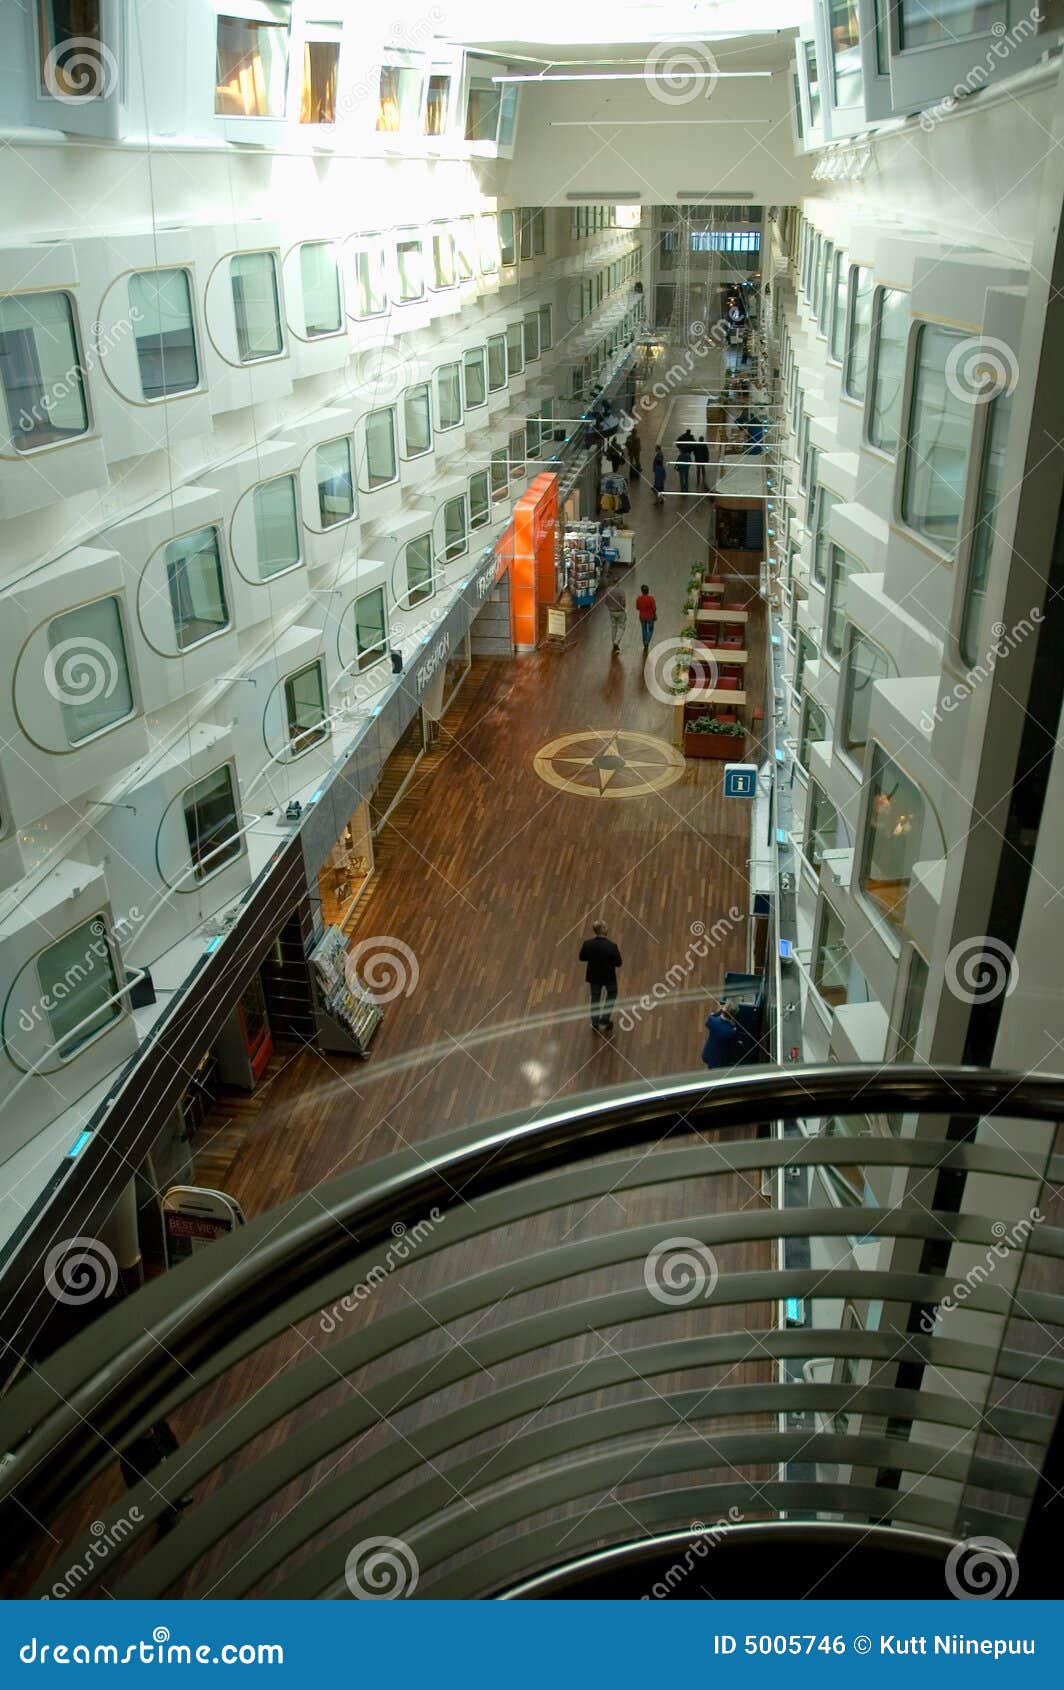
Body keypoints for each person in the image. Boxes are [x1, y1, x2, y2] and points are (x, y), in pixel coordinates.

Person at [579, 920, 622, 1033]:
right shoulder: (611, 946)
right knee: (611, 995)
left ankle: (595, 1022)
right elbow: (618, 963)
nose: (607, 928)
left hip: (594, 977)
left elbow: (582, 957)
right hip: (609, 977)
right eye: (606, 927)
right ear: (602, 929)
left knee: (595, 998)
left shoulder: (587, 944)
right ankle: (605, 1019)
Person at [701, 1000, 741, 1069]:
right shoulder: (731, 1031)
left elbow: (712, 1018)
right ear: (733, 1015)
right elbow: (735, 1043)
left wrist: (719, 1011)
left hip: (708, 1055)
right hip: (720, 1062)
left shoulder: (712, 1020)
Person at [605, 577, 626, 652]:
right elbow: (623, 602)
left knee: (613, 627)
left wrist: (610, 607)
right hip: (620, 612)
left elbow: (606, 602)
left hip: (611, 611)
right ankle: (616, 642)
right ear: (618, 582)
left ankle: (613, 642)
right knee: (621, 627)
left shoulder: (608, 590)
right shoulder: (621, 591)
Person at [635, 582, 657, 651]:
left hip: (642, 617)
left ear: (642, 591)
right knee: (651, 630)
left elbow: (637, 608)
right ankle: (647, 642)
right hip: (650, 617)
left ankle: (644, 643)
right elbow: (654, 608)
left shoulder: (638, 599)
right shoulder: (651, 599)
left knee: (644, 630)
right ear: (648, 591)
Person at [676, 428, 696, 494]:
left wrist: (680, 447)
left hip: (682, 464)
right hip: (688, 454)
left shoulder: (683, 436)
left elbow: (677, 441)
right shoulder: (691, 437)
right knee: (686, 476)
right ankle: (686, 487)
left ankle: (682, 488)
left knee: (681, 477)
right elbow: (694, 444)